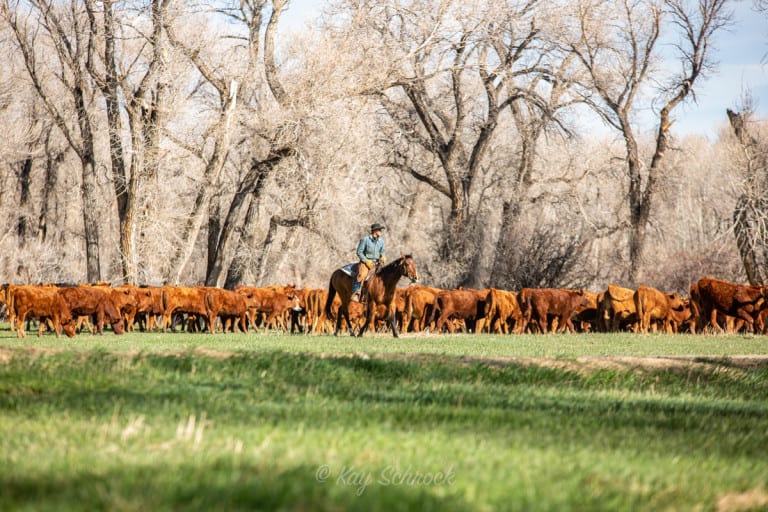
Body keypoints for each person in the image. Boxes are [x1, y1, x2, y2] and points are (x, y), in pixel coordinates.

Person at [351, 223, 387, 302]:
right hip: (365, 262)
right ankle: (356, 293)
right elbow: (359, 252)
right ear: (375, 231)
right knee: (361, 275)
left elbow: (383, 252)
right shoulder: (365, 240)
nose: (381, 231)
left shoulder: (381, 241)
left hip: (377, 262)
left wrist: (383, 257)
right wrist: (366, 261)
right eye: (379, 230)